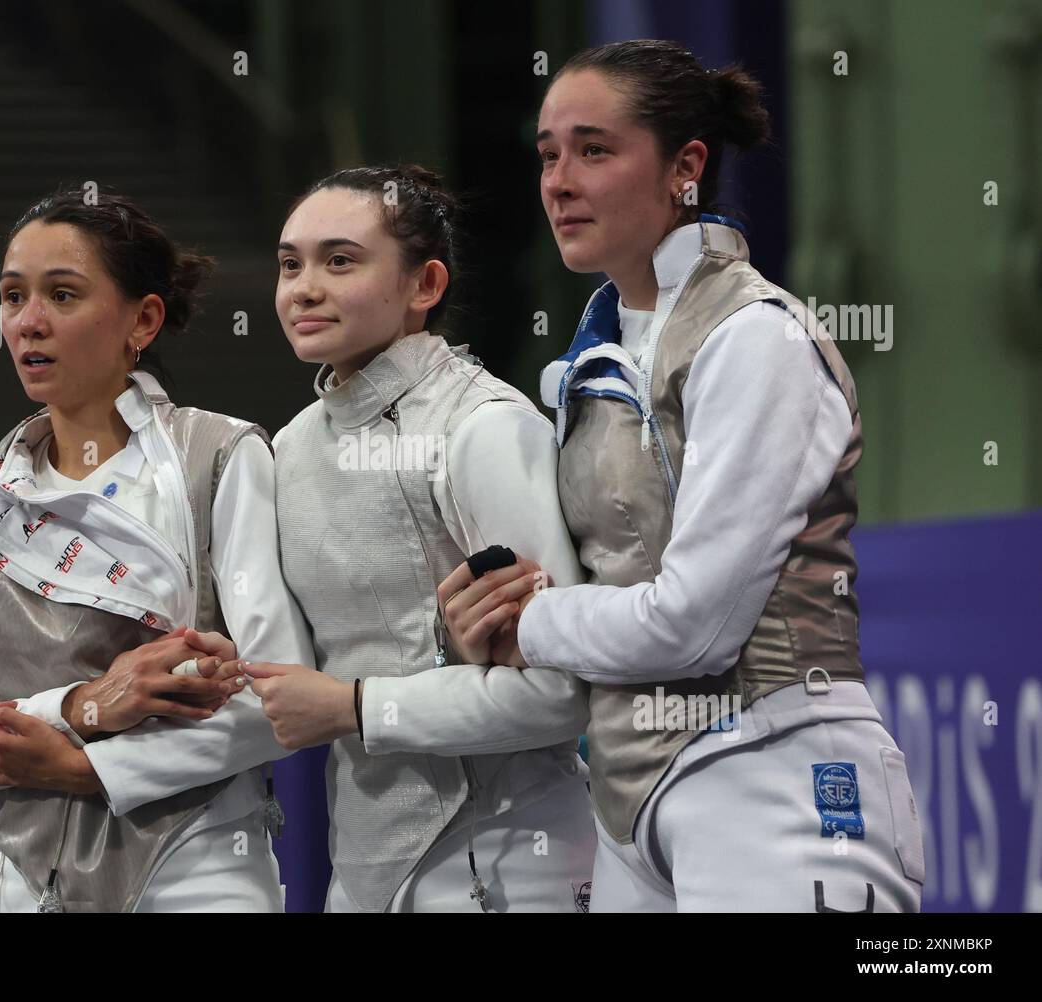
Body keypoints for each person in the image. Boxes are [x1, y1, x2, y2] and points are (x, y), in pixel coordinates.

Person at [441, 40, 924, 913]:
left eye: (595, 149)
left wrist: (533, 622)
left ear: (686, 167)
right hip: (629, 806)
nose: (558, 180)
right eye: (548, 154)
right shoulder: (587, 362)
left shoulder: (756, 338)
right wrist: (478, 616)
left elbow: (695, 625)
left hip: (773, 772)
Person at [0, 187, 311, 912]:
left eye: (63, 295)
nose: (29, 322)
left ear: (142, 320)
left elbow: (276, 699)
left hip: (202, 870)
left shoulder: (219, 456)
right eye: (12, 297)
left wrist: (85, 769)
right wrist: (82, 708)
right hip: (25, 886)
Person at [246, 165, 596, 913]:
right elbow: (302, 671)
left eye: (339, 261)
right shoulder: (294, 447)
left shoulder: (484, 429)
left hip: (510, 858)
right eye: (289, 264)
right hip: (365, 870)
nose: (304, 287)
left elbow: (562, 694)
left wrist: (354, 708)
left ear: (423, 285)